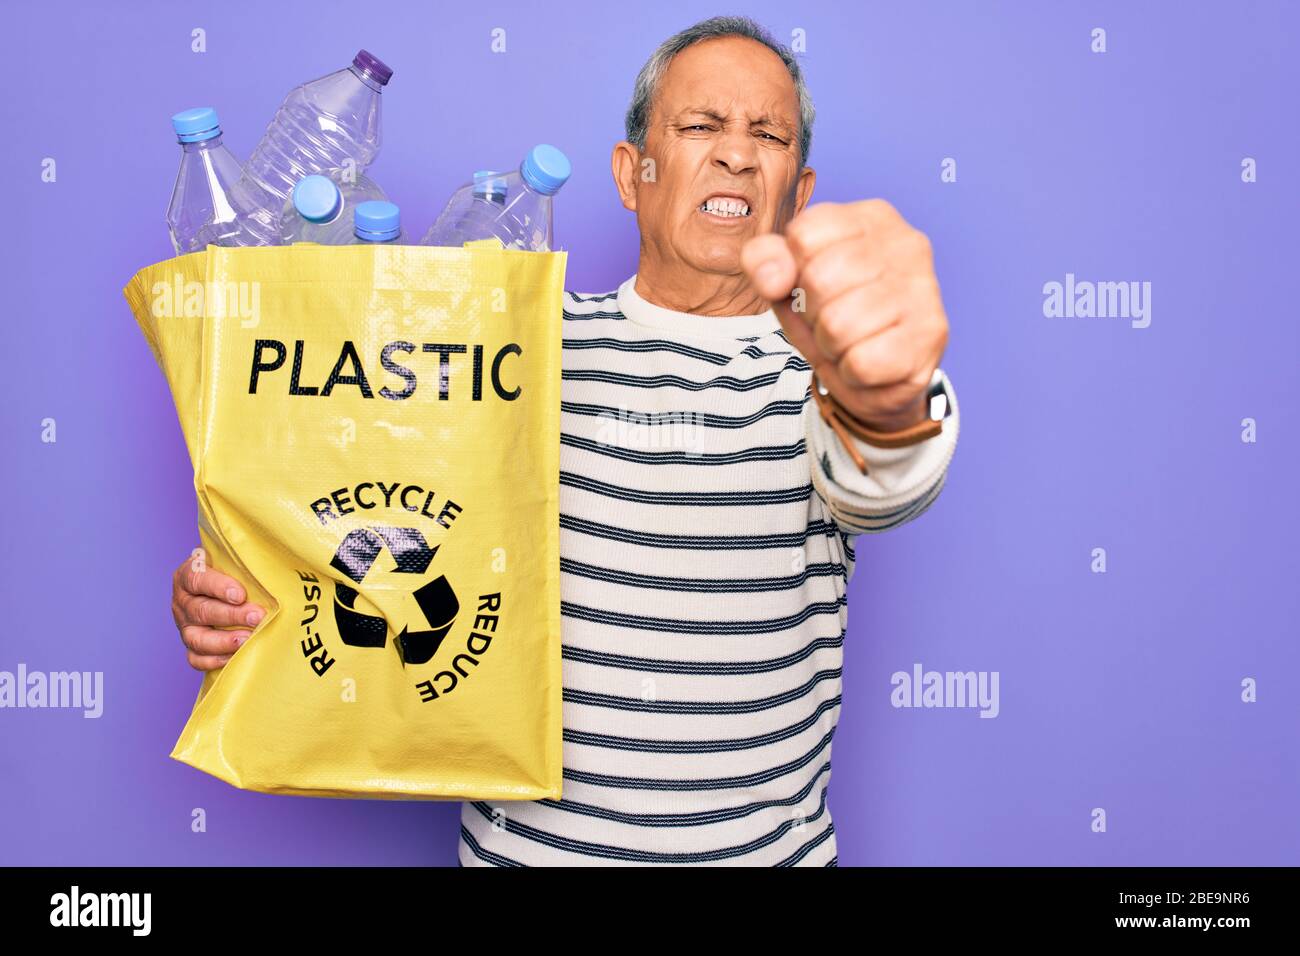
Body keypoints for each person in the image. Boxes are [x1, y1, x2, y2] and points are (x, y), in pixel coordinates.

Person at [169, 15, 959, 866]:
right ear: (631, 174)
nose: (736, 153)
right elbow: (362, 503)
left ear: (797, 193)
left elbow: (887, 472)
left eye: (767, 134)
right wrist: (243, 592)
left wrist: (885, 393)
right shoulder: (511, 350)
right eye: (700, 126)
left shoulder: (827, 366)